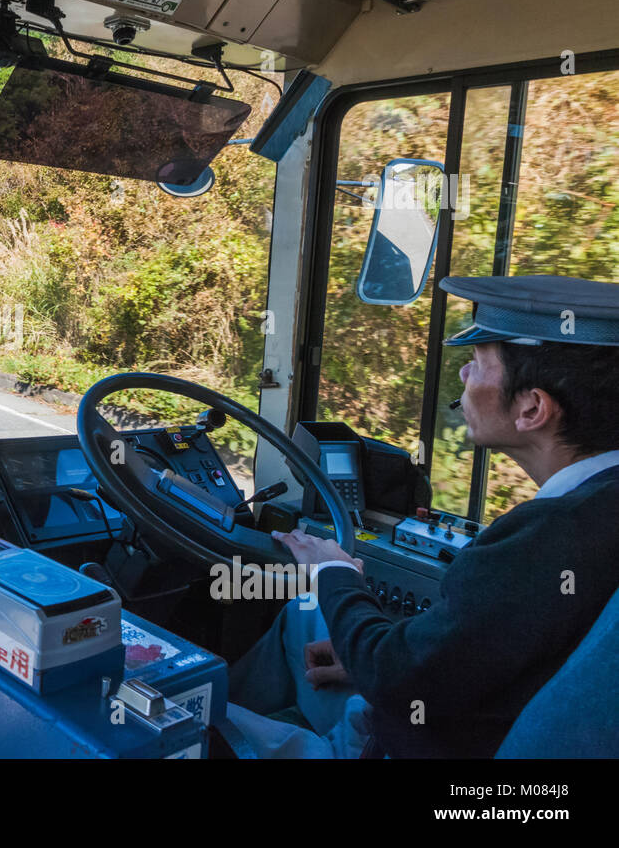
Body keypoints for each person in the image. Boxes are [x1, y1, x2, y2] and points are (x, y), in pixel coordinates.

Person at [227, 274, 619, 757]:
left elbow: (400, 677)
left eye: (478, 363)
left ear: (533, 408)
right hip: (455, 714)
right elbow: (518, 655)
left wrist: (334, 572)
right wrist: (374, 660)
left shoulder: (549, 534)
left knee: (184, 705)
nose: (463, 377)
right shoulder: (599, 505)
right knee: (303, 615)